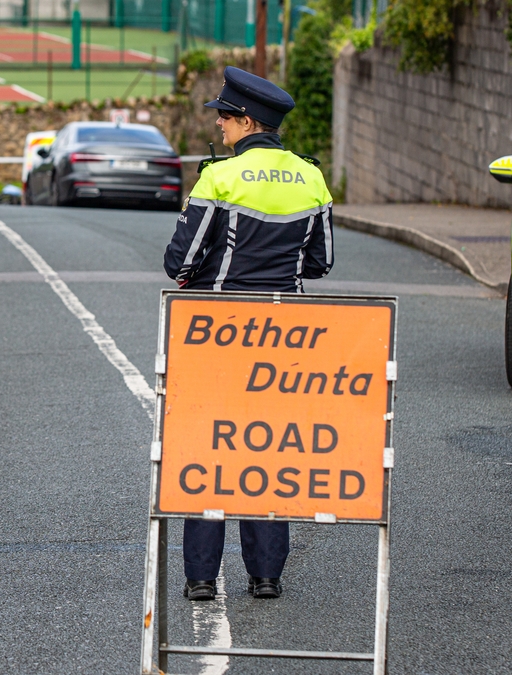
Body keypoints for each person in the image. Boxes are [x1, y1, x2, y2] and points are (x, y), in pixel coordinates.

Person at [163, 66, 334, 602]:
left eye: (223, 117)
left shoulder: (218, 177)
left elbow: (180, 261)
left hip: (219, 333)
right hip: (286, 337)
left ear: (245, 121)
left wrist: (205, 270)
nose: (218, 127)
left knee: (210, 446)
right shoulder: (311, 177)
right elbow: (322, 261)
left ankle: (200, 578)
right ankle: (265, 575)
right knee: (269, 449)